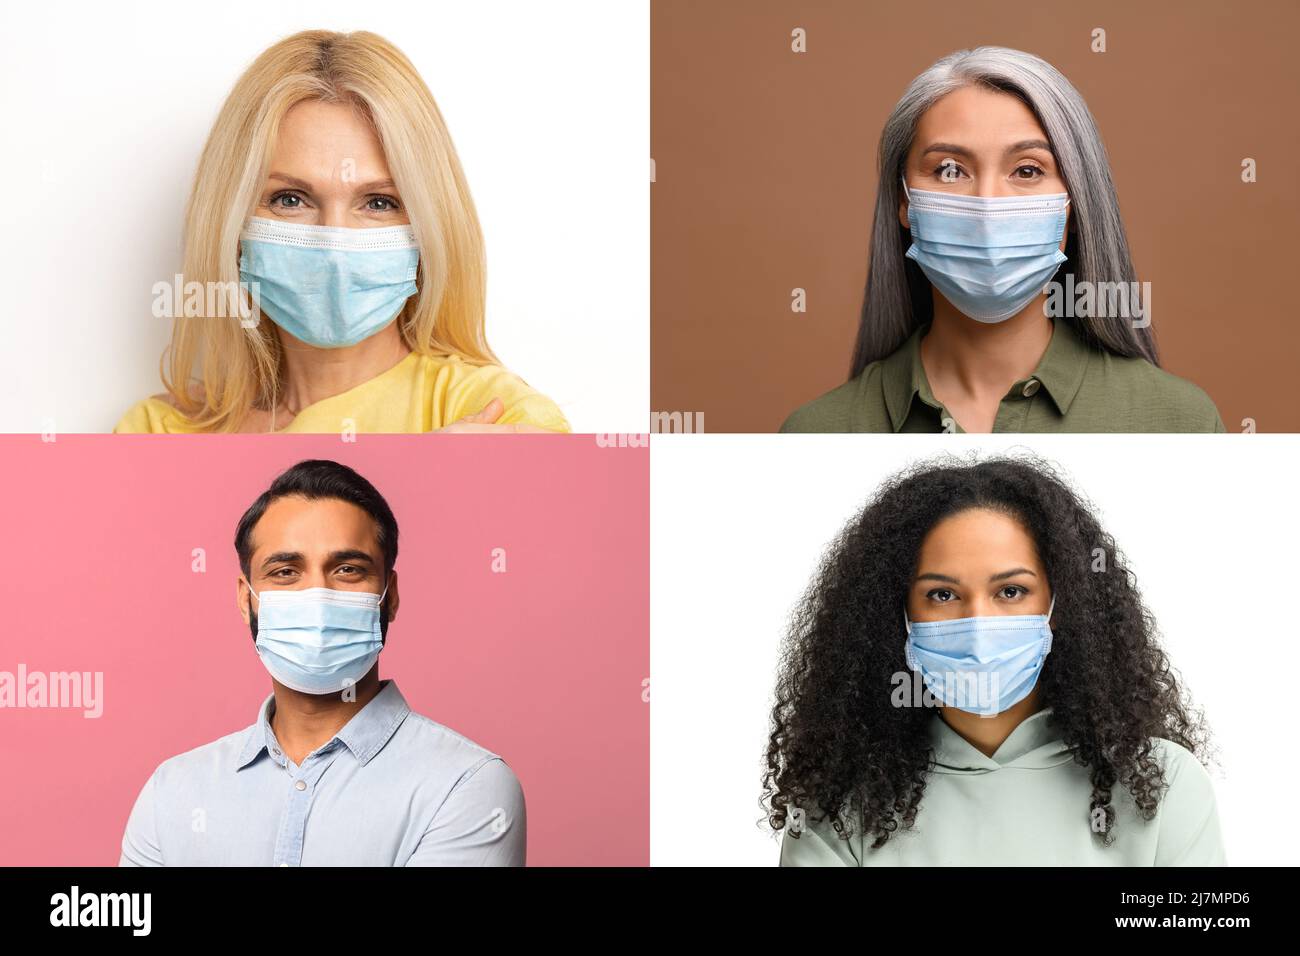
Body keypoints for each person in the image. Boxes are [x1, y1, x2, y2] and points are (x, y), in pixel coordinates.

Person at [765, 456, 1224, 865]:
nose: (978, 625)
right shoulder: (838, 801)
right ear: (899, 614)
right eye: (942, 594)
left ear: (1059, 606)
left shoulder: (1161, 782)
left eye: (1011, 591)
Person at [115, 30, 568, 434]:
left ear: (430, 226)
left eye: (379, 203)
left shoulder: (498, 417)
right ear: (230, 221)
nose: (333, 245)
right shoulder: (160, 436)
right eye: (290, 198)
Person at [780, 47, 1222, 434]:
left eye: (1027, 170)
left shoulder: (1180, 423)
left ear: (1073, 206)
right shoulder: (818, 434)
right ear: (904, 202)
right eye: (949, 169)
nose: (987, 205)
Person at [119, 459, 525, 866]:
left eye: (348, 569)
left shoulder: (467, 784)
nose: (318, 595)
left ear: (391, 595)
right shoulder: (172, 791)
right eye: (285, 571)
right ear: (246, 600)